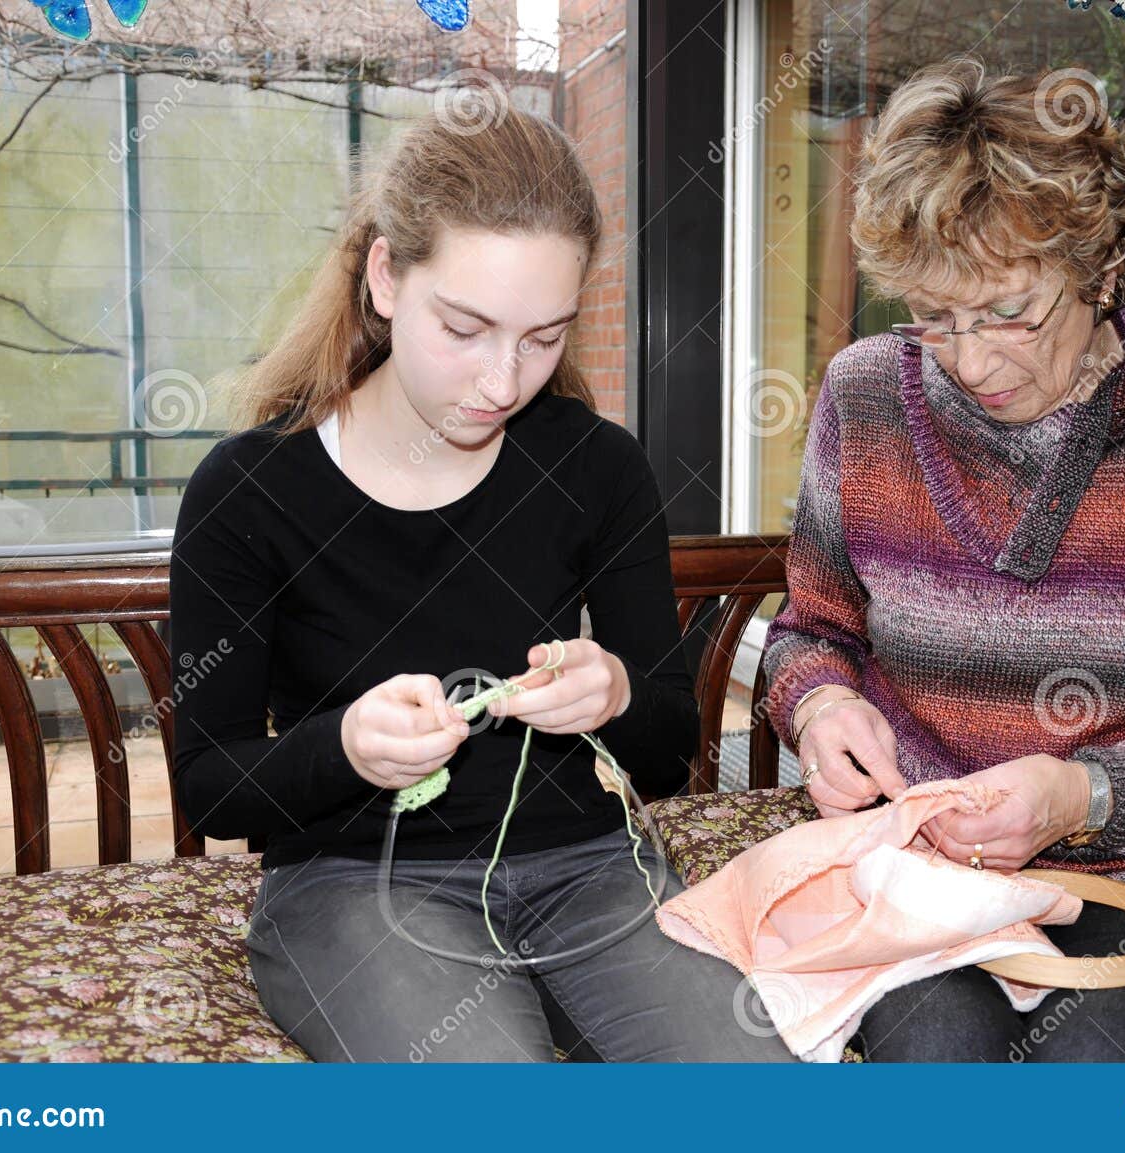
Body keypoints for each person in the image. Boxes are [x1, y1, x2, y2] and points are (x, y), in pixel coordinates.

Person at [171, 108, 796, 1063]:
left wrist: (619, 695)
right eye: (465, 329)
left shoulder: (595, 468)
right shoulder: (253, 489)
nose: (503, 381)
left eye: (544, 338)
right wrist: (342, 747)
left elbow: (667, 748)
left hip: (590, 867)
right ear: (385, 277)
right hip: (350, 881)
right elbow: (210, 783)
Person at [761, 58, 1125, 1062]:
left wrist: (1089, 796)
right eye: (934, 317)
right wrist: (819, 707)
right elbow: (810, 630)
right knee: (940, 1067)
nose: (971, 359)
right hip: (916, 861)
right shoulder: (864, 394)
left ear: (1100, 271)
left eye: (1008, 313)